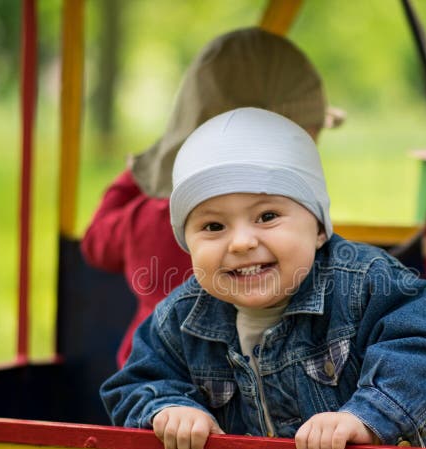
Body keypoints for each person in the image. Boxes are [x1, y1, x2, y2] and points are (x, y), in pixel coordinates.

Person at [101, 107, 426, 449]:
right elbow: (137, 380)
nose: (241, 242)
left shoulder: (365, 283)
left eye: (267, 217)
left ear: (318, 228)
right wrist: (170, 408)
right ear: (186, 243)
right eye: (213, 226)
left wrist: (364, 417)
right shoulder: (182, 316)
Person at [81, 27, 336, 368]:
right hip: (247, 378)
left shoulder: (147, 215)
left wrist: (142, 169)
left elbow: (96, 244)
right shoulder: (289, 217)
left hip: (149, 379)